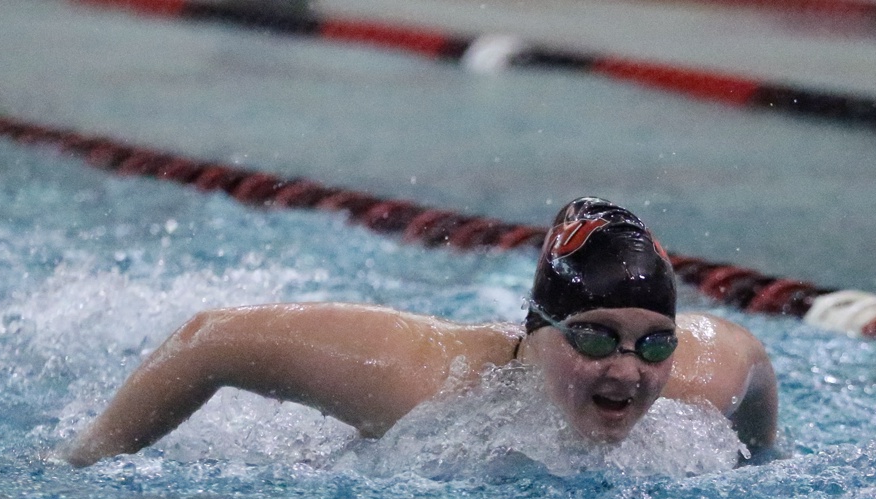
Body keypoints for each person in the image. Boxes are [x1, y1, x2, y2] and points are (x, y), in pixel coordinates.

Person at [65, 197, 777, 468]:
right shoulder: (420, 379)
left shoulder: (702, 376)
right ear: (539, 329)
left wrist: (760, 462)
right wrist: (85, 461)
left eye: (653, 344)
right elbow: (210, 338)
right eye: (593, 339)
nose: (628, 372)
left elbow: (755, 365)